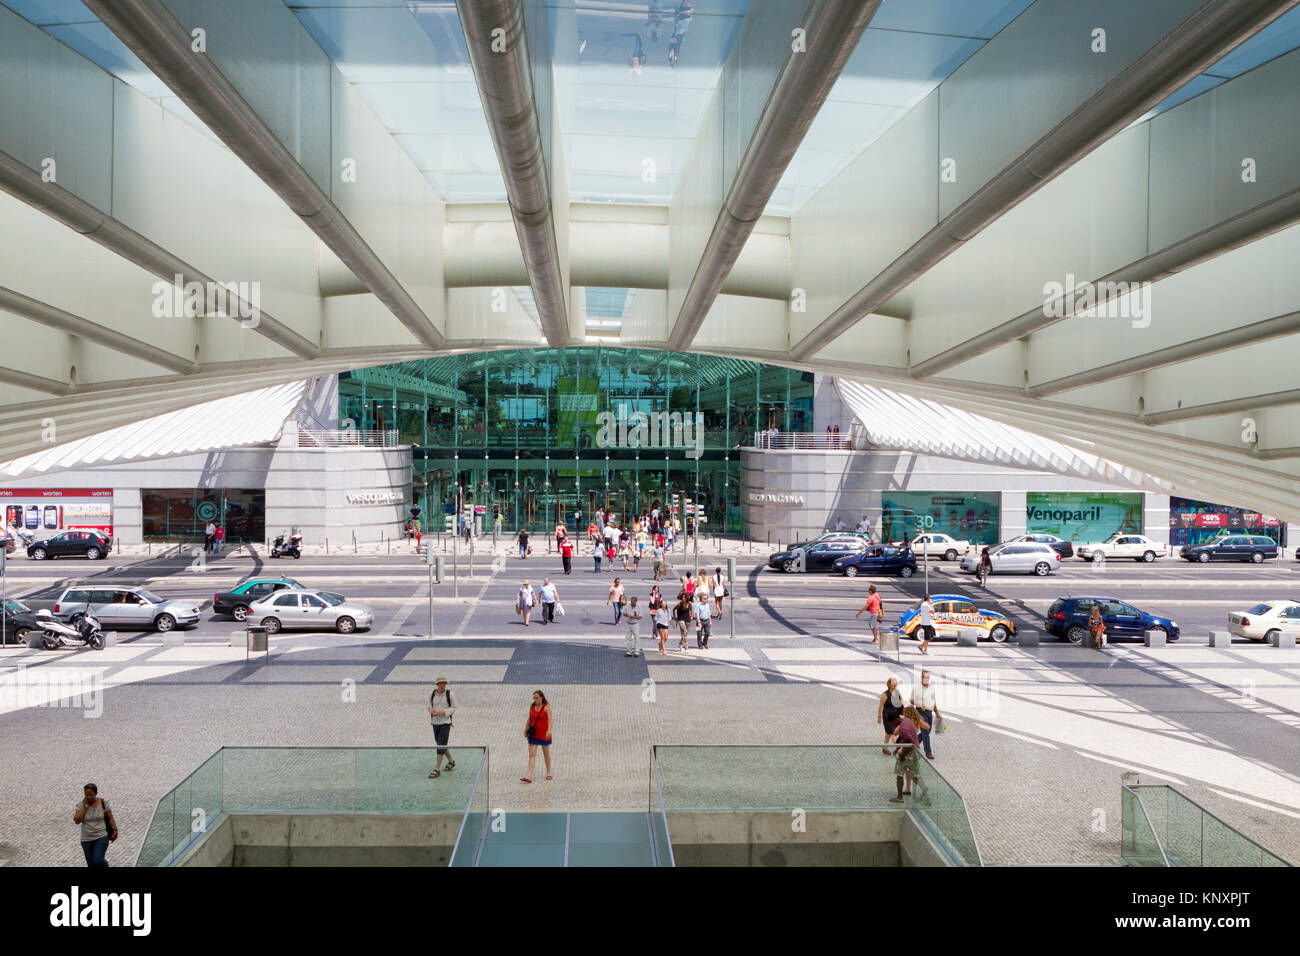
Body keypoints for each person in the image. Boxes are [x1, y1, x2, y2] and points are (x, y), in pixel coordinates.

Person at [888, 711, 931, 804]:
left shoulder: (903, 728)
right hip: (916, 752)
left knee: (899, 774)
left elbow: (910, 742)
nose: (892, 726)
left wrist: (902, 755)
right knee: (915, 775)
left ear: (896, 720)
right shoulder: (906, 720)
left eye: (892, 723)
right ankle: (926, 795)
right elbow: (902, 738)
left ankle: (899, 798)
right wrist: (897, 747)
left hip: (909, 752)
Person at [74, 783, 117, 867]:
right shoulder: (81, 805)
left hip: (101, 836)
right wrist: (85, 808)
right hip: (86, 839)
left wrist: (115, 830)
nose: (89, 797)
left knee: (98, 861)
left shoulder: (103, 803)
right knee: (91, 865)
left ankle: (106, 865)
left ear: (96, 793)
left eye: (91, 795)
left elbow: (110, 817)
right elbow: (77, 820)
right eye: (86, 795)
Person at [427, 677, 457, 778]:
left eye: (443, 683)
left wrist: (443, 712)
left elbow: (454, 707)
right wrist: (431, 709)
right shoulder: (432, 694)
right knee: (441, 743)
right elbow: (428, 704)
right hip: (435, 722)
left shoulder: (450, 694)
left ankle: (437, 769)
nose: (442, 685)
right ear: (437, 685)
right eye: (440, 684)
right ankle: (451, 762)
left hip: (445, 723)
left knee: (440, 745)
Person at [521, 690, 553, 783]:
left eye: (536, 698)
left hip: (543, 734)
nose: (535, 699)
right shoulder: (532, 706)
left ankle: (548, 773)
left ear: (541, 697)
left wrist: (549, 730)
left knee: (546, 754)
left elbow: (550, 720)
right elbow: (529, 718)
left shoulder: (547, 707)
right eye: (534, 698)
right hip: (533, 734)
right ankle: (529, 776)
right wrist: (525, 729)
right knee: (531, 755)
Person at [911, 670, 940, 760]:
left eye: (927, 677)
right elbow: (911, 700)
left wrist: (937, 712)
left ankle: (912, 744)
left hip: (929, 712)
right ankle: (928, 752)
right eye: (924, 677)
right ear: (921, 678)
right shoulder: (916, 688)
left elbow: (933, 701)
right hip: (920, 711)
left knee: (927, 731)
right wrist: (919, 704)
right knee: (926, 731)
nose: (926, 679)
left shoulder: (932, 688)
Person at [876, 677, 903, 755]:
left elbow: (901, 702)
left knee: (888, 733)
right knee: (893, 733)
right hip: (888, 716)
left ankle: (884, 747)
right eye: (893, 682)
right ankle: (899, 750)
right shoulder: (885, 694)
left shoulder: (897, 692)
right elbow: (880, 706)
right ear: (889, 684)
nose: (895, 684)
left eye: (896, 682)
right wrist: (879, 717)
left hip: (896, 715)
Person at [650, 587, 670, 655]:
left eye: (657, 589)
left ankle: (660, 644)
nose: (656, 590)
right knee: (662, 636)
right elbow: (652, 602)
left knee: (666, 638)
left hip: (662, 615)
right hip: (654, 612)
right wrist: (653, 594)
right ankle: (663, 649)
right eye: (655, 589)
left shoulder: (659, 595)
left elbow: (662, 602)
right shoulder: (651, 595)